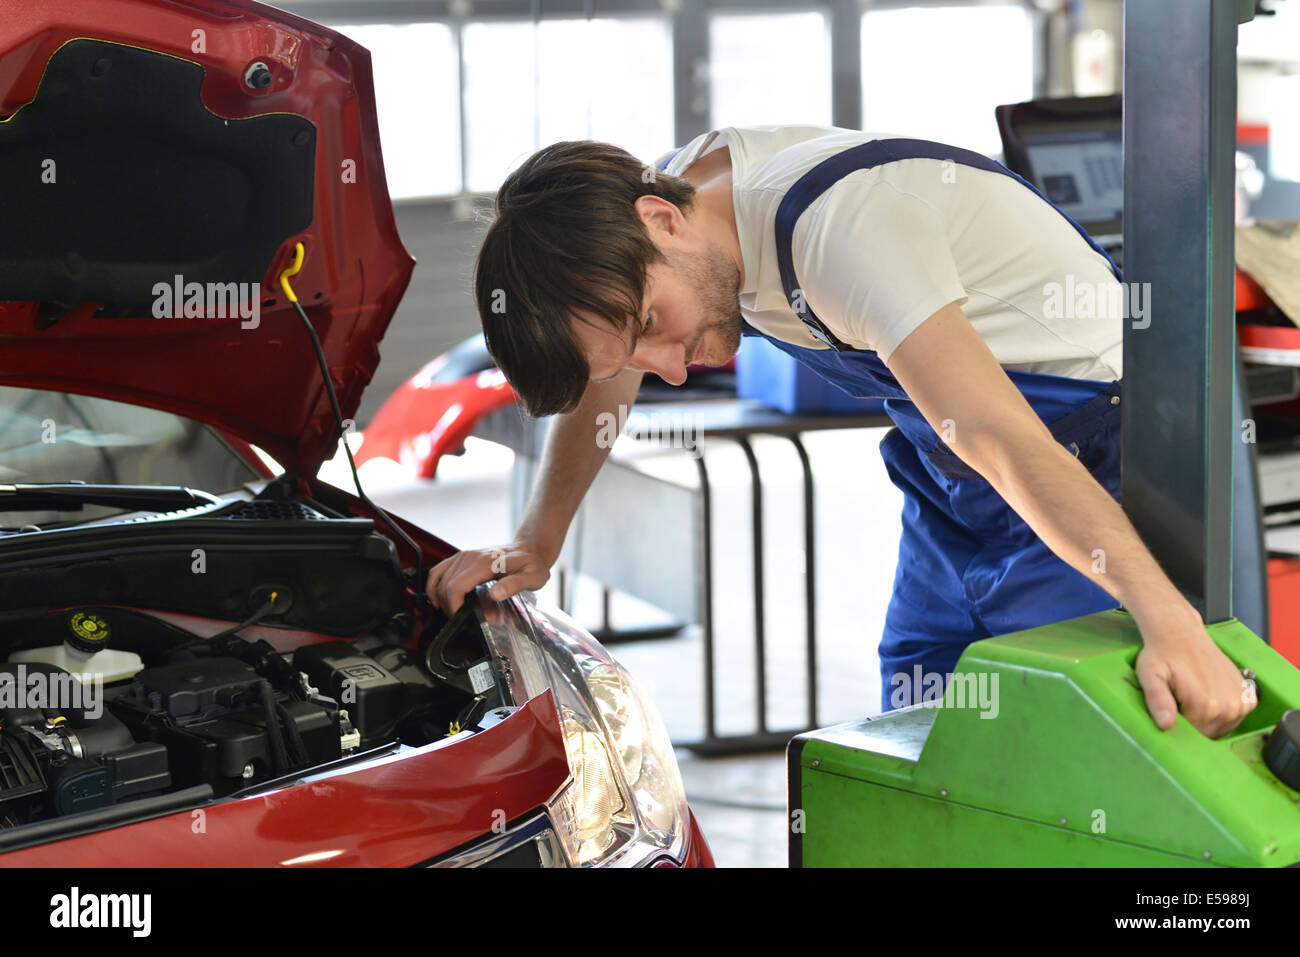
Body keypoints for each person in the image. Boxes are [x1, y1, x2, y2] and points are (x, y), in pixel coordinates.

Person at [425, 125, 1256, 739]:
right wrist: (538, 539)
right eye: (638, 347)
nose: (668, 368)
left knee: (1082, 731)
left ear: (662, 221)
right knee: (923, 713)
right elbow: (611, 371)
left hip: (1082, 448)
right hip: (954, 463)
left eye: (655, 324)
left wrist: (1172, 622)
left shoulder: (843, 228)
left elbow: (1006, 439)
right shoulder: (668, 212)